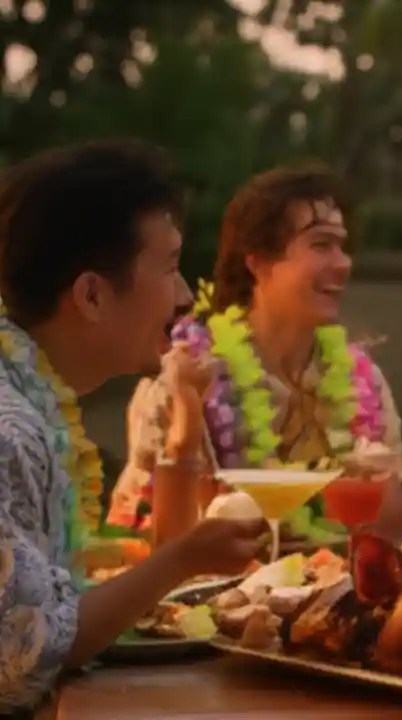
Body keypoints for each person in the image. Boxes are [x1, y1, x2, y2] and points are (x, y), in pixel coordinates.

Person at [0, 141, 267, 712]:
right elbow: (24, 655)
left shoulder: (30, 400)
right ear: (92, 294)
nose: (183, 297)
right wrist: (183, 559)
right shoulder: (11, 428)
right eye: (170, 267)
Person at [114, 165, 402, 543]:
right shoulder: (189, 372)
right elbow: (140, 534)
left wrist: (374, 475)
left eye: (343, 246)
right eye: (321, 245)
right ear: (258, 261)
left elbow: (389, 537)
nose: (343, 263)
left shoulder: (362, 381)